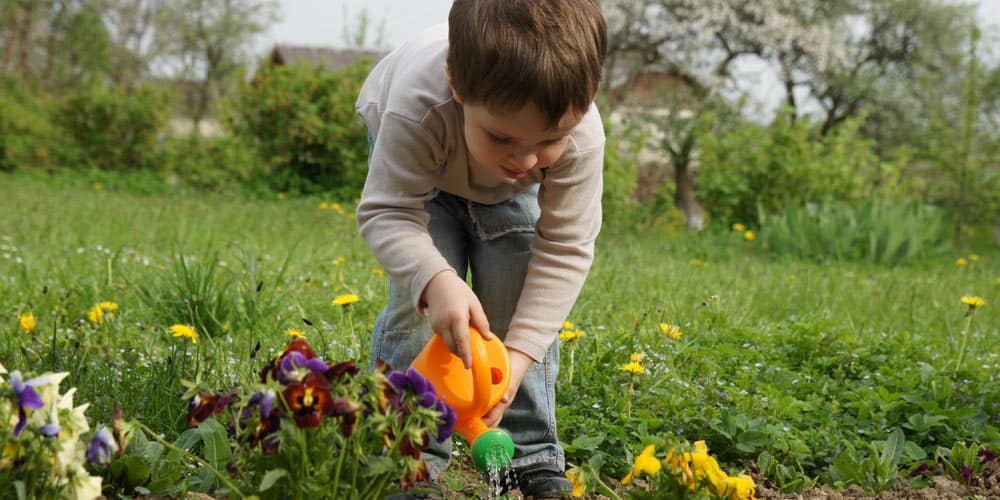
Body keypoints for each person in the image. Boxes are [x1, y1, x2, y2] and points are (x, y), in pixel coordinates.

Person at [356, 0, 606, 497]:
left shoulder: (577, 139)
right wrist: (434, 278)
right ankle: (406, 455)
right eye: (503, 136)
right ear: (456, 85)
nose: (528, 157)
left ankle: (530, 451)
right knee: (421, 308)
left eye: (550, 139)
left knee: (516, 294)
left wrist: (514, 360)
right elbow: (388, 211)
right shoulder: (416, 105)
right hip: (421, 173)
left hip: (506, 194)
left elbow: (565, 249)